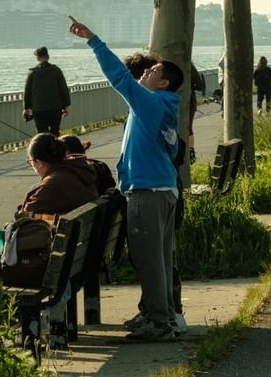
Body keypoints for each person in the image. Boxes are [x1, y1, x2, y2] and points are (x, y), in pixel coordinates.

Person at [68, 19, 185, 342]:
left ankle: (159, 322)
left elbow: (118, 76)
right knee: (158, 258)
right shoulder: (164, 106)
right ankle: (156, 312)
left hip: (148, 192)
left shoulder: (149, 103)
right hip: (163, 189)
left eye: (152, 72)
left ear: (163, 83)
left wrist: (93, 40)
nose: (144, 73)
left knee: (149, 260)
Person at [17, 132, 96, 221]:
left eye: (30, 161)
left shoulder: (52, 184)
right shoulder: (80, 169)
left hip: (67, 232)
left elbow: (25, 217)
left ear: (38, 163)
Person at [24, 45, 70, 136]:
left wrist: (26, 108)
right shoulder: (56, 70)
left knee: (41, 134)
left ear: (37, 58)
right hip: (55, 108)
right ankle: (55, 149)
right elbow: (63, 88)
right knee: (55, 132)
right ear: (48, 56)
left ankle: (44, 149)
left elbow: (27, 92)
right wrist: (66, 106)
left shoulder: (32, 73)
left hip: (39, 109)